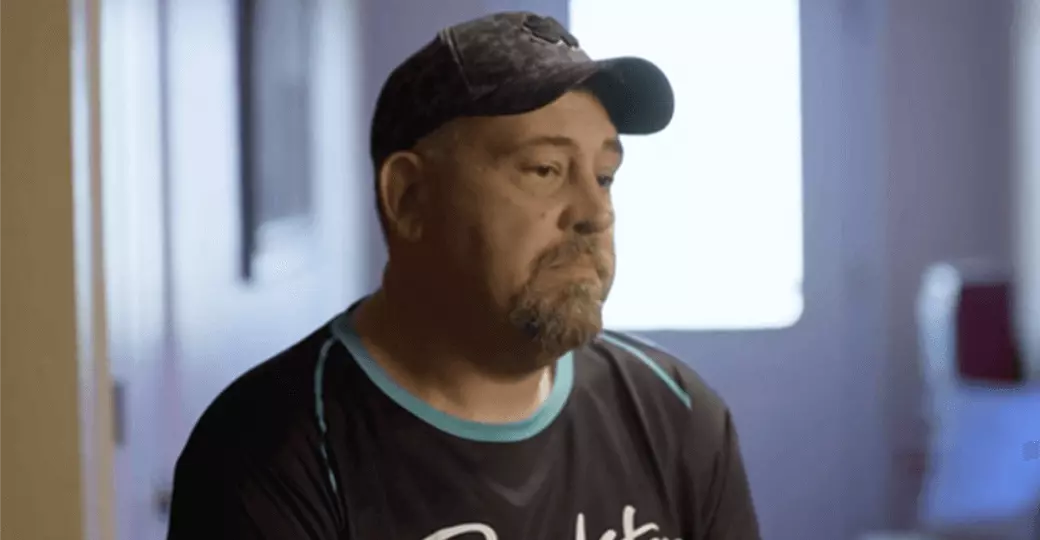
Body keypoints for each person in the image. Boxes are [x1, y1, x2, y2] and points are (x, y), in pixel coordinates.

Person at [166, 10, 760, 540]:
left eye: (603, 177)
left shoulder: (677, 413)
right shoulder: (268, 452)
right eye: (546, 169)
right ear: (410, 197)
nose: (595, 213)